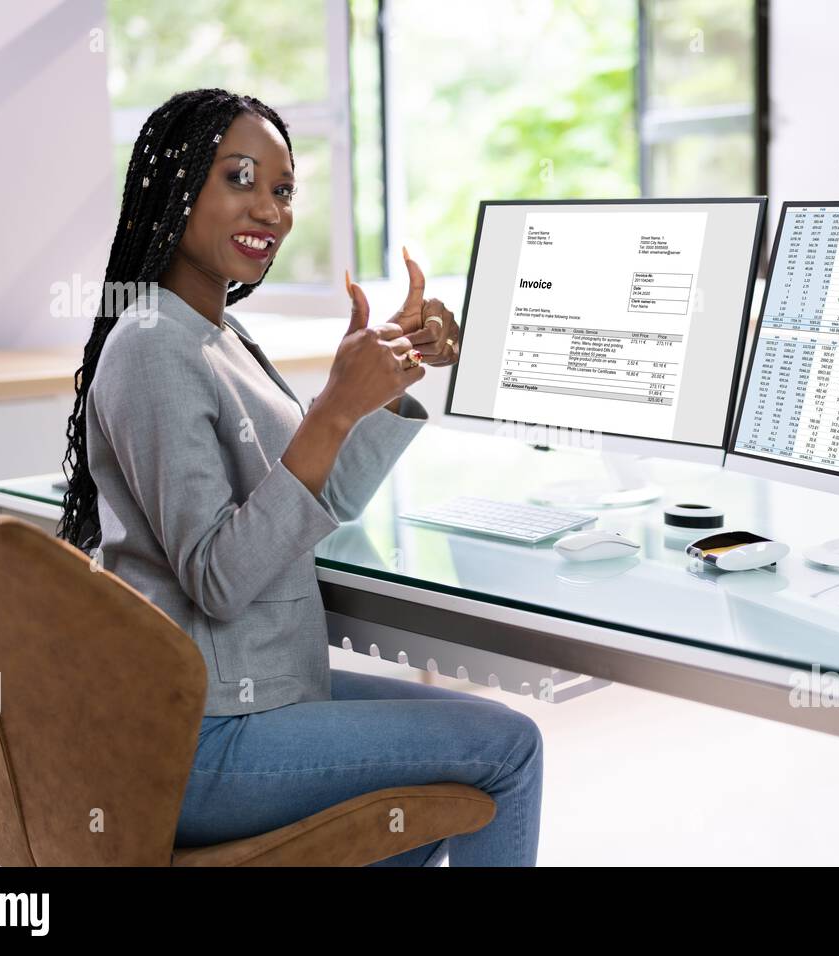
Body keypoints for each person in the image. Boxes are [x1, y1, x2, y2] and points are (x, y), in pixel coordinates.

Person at [56, 88, 542, 866]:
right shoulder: (152, 345)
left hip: (264, 693)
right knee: (508, 748)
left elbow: (328, 500)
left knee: (433, 811)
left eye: (282, 190)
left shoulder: (217, 334)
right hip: (204, 733)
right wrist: (330, 411)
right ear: (175, 183)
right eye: (240, 179)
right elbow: (218, 577)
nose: (270, 210)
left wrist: (376, 389)